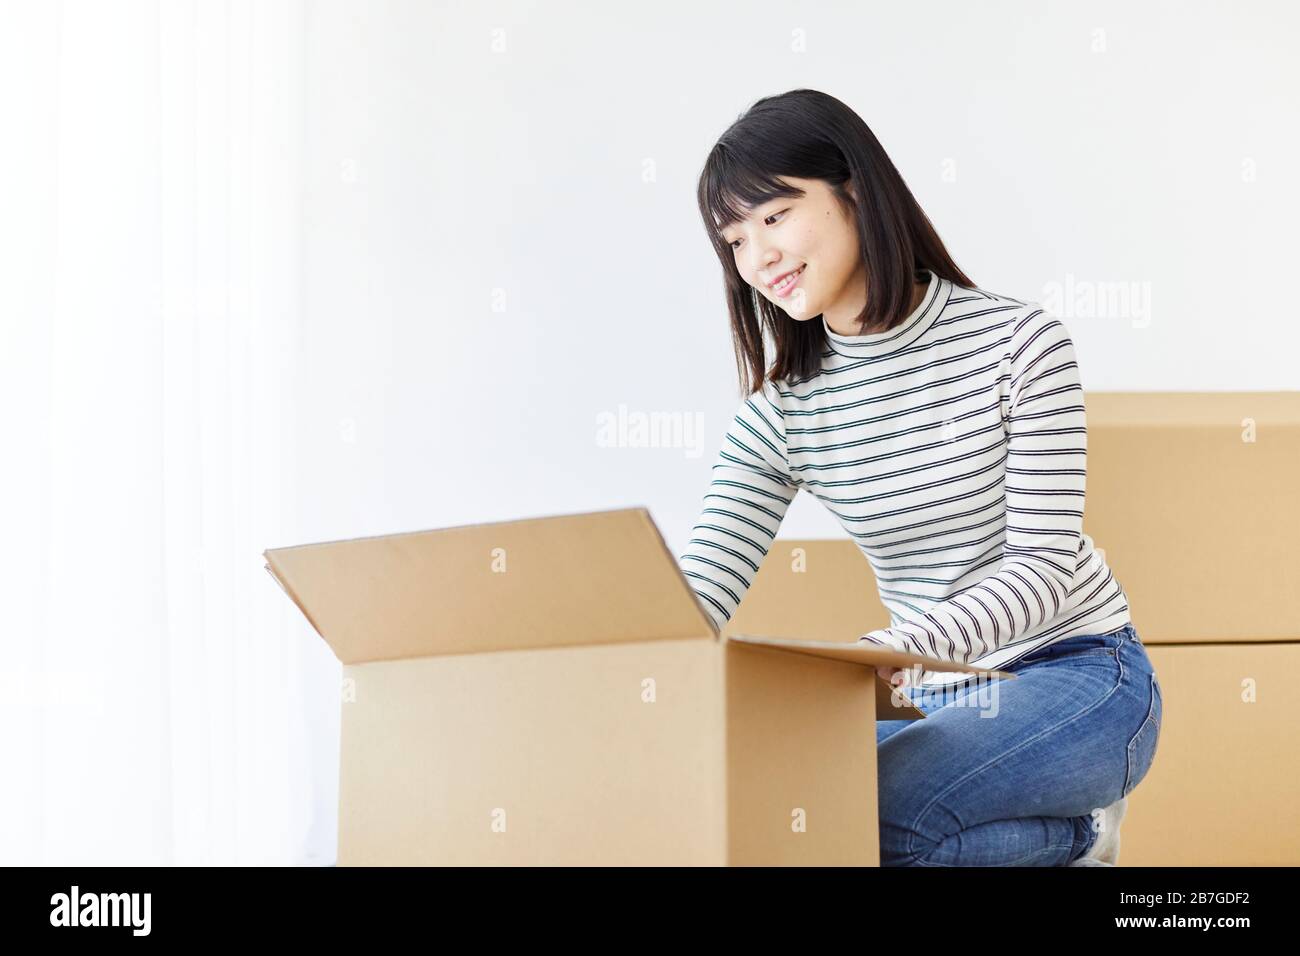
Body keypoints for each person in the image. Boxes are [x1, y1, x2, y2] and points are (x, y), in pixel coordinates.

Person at [678, 89, 1162, 866]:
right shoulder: (782, 413)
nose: (757, 258)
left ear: (856, 189)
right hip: (930, 694)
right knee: (791, 816)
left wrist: (889, 649)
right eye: (733, 240)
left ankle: (1071, 831)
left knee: (880, 817)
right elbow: (698, 592)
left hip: (1077, 671)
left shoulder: (1019, 344)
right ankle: (1068, 842)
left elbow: (1041, 569)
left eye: (773, 217)